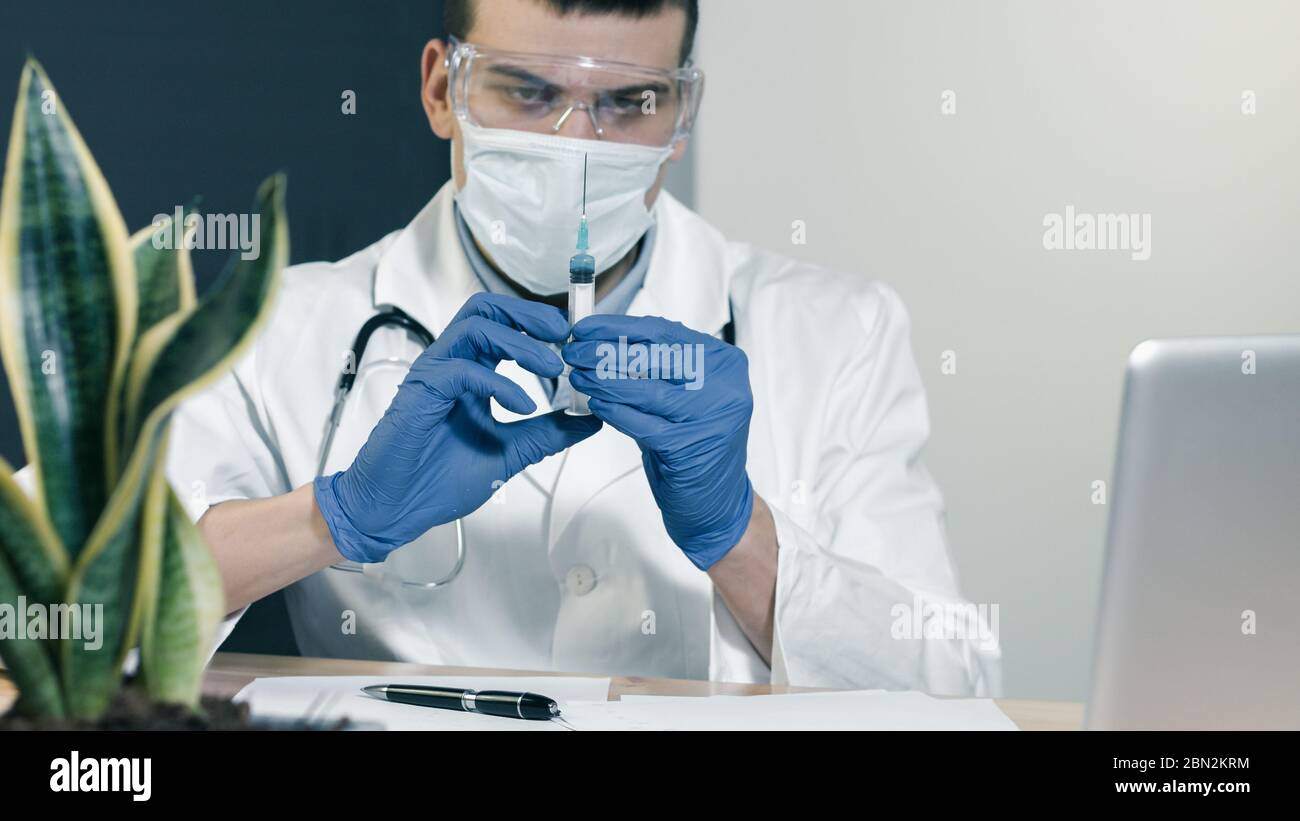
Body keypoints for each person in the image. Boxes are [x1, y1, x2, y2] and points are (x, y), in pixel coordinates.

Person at [171, 0, 1001, 693]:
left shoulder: (834, 329)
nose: (578, 144)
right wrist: (336, 516)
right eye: (529, 92)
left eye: (629, 102)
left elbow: (958, 690)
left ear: (682, 115)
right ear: (439, 88)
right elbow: (68, 616)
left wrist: (740, 536)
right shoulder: (281, 325)